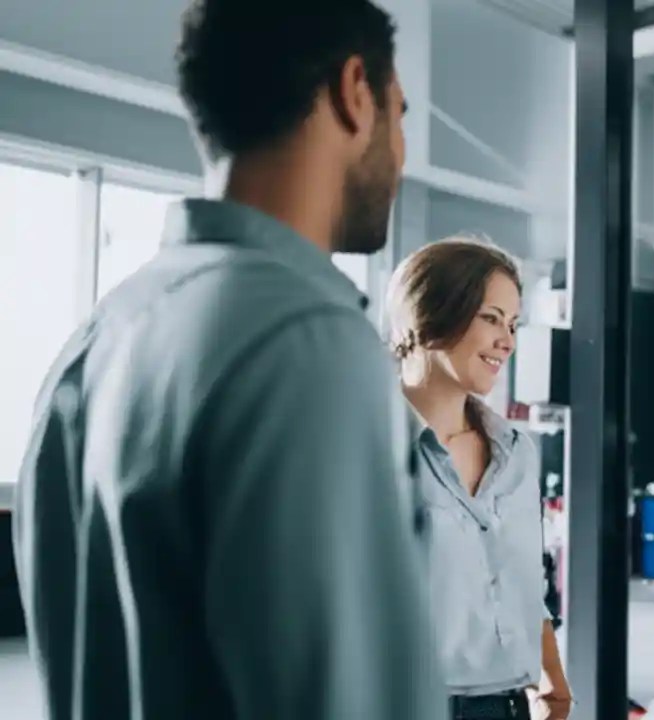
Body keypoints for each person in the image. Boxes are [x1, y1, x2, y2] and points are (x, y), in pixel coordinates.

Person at [12, 1, 444, 719]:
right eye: (400, 115)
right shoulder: (308, 346)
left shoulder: (92, 344)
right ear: (355, 91)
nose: (400, 154)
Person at [386, 237, 573, 720]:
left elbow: (527, 583)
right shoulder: (366, 447)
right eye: (491, 318)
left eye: (512, 324)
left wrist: (553, 678)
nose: (507, 341)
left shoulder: (517, 454)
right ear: (433, 310)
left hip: (506, 706)